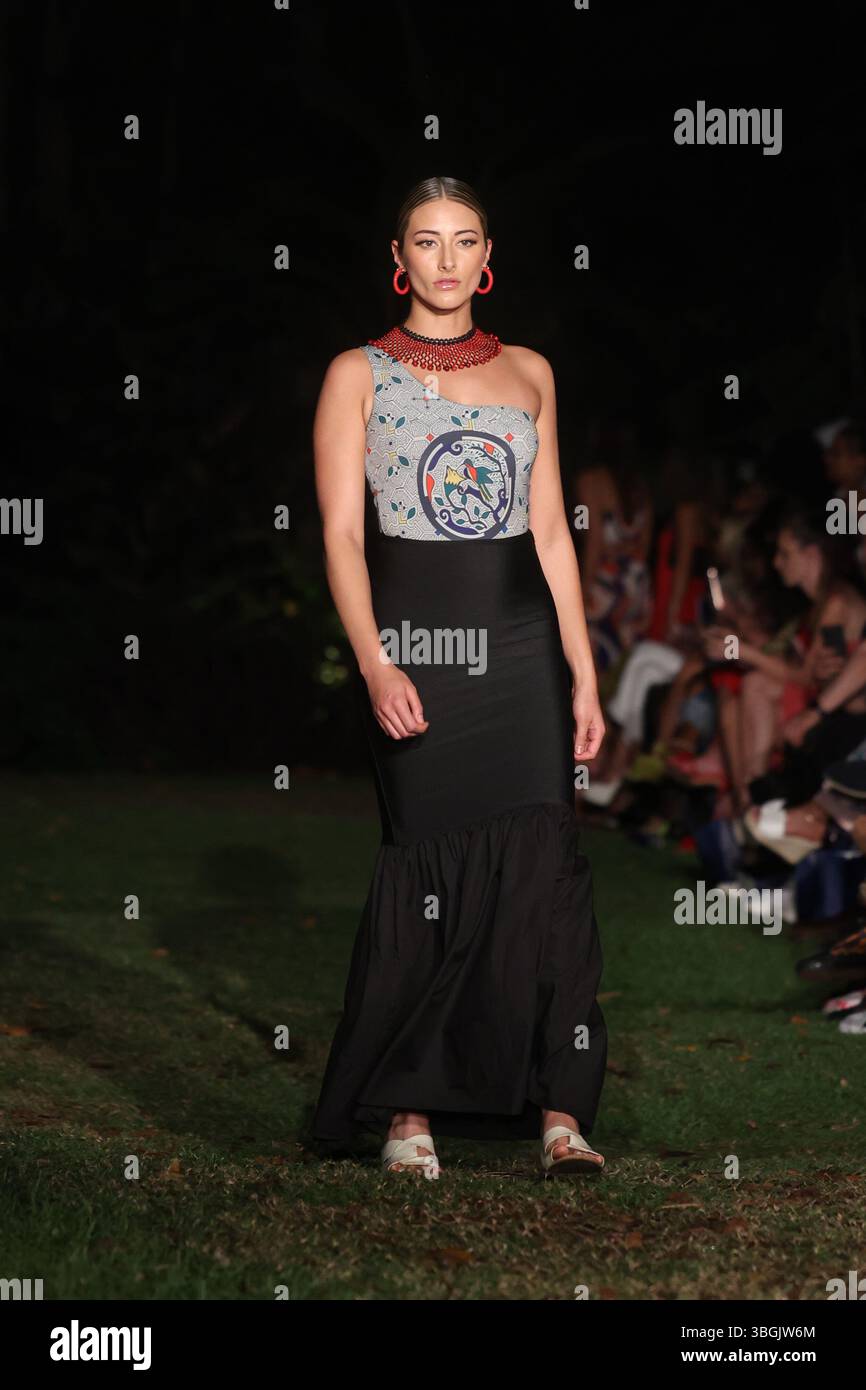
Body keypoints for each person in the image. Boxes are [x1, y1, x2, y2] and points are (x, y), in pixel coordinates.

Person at [310, 176, 608, 1179]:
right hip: (417, 640)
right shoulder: (355, 372)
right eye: (426, 242)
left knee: (543, 867)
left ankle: (561, 1109)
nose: (446, 260)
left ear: (490, 258)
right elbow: (343, 536)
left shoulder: (530, 372)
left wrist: (582, 673)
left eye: (464, 240)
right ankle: (407, 1110)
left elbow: (552, 535)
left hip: (519, 638)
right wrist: (373, 657)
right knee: (426, 863)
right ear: (399, 259)